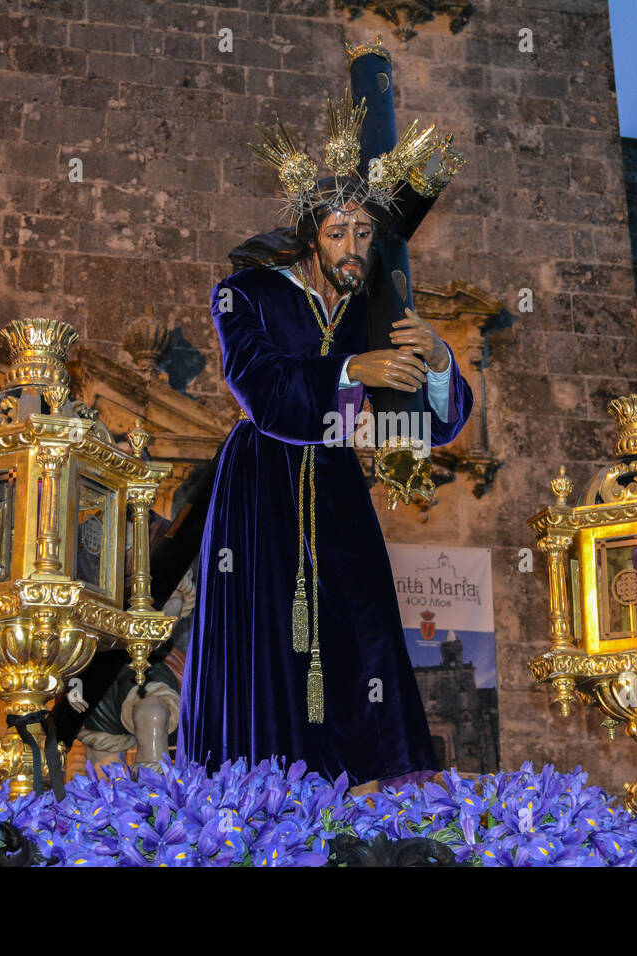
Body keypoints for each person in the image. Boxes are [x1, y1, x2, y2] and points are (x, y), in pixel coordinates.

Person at [178, 163, 473, 789]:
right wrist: (351, 370)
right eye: (340, 233)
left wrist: (441, 360)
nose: (353, 249)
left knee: (363, 627)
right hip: (262, 478)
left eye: (365, 234)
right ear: (313, 234)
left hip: (337, 480)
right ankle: (259, 798)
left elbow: (428, 427)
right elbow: (261, 388)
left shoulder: (374, 308)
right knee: (267, 638)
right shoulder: (248, 292)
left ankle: (367, 789)